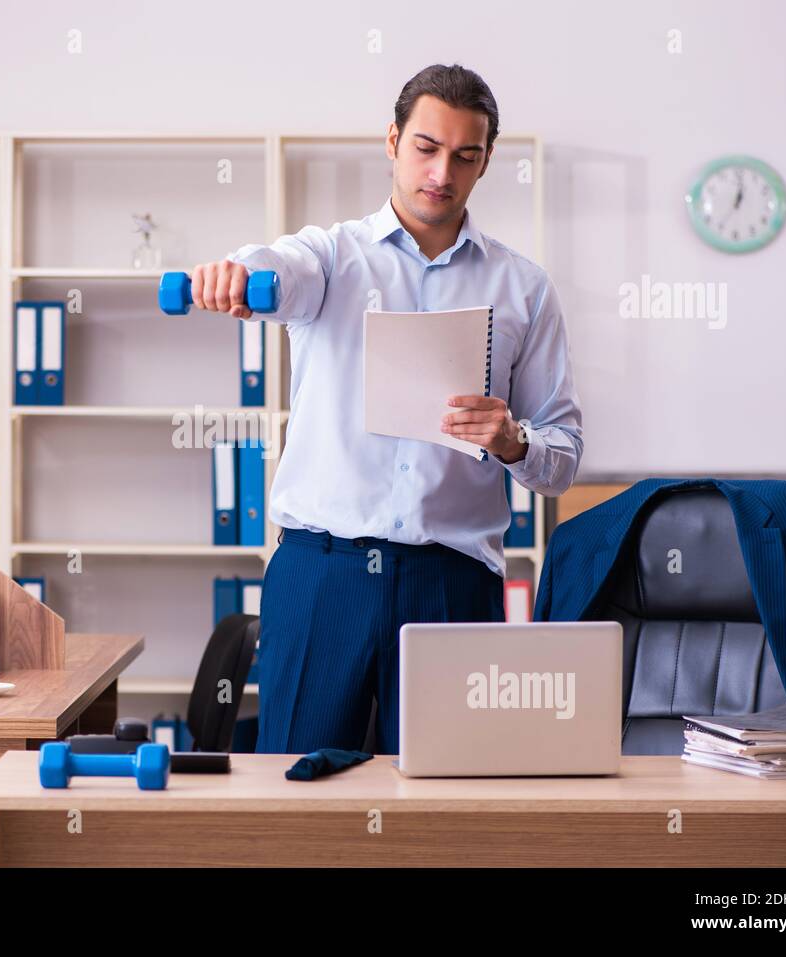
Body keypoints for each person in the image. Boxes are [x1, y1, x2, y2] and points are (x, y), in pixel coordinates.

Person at [191, 63, 583, 755]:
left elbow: (563, 459)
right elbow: (275, 268)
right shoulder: (333, 258)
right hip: (323, 575)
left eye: (465, 155)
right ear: (393, 141)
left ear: (486, 161)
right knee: (297, 795)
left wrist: (515, 440)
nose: (442, 172)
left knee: (451, 798)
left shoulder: (524, 288)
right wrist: (237, 274)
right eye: (426, 148)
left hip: (452, 583)